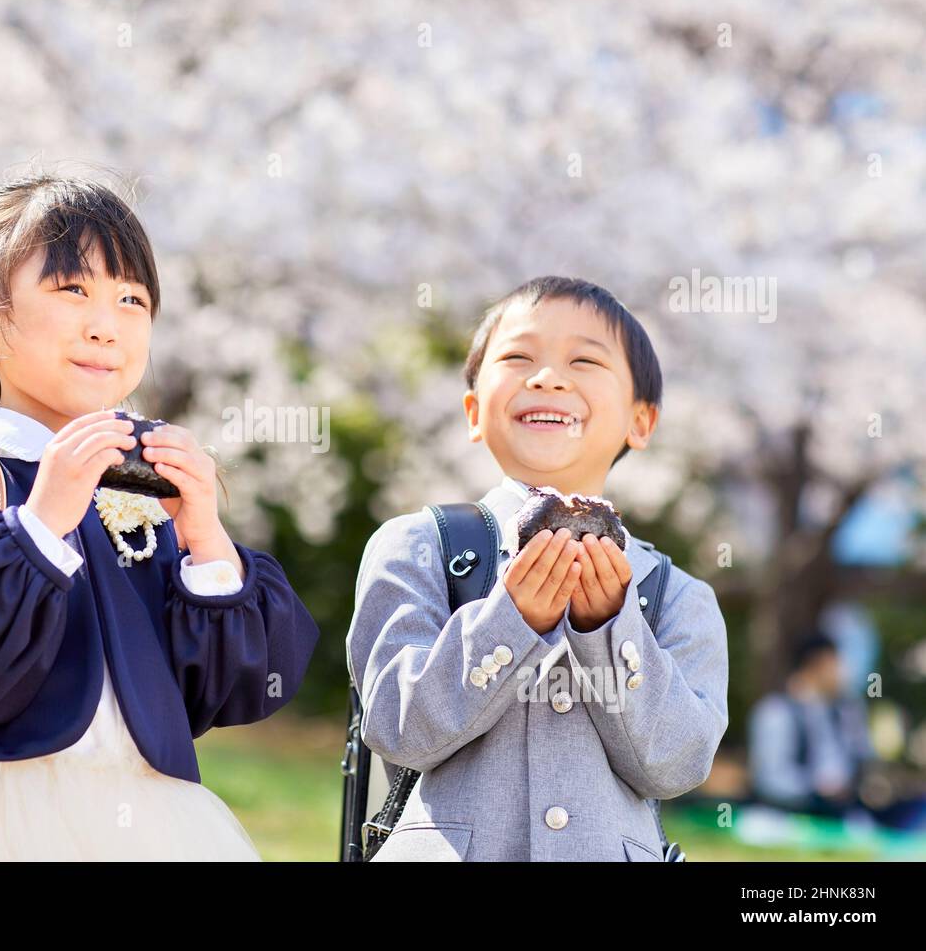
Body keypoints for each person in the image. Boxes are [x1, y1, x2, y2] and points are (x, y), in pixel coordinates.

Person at [0, 172, 321, 860]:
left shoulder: (154, 504)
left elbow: (235, 692)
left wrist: (207, 543)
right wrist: (38, 526)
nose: (106, 325)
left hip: (165, 833)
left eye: (132, 299)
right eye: (72, 290)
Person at [346, 276, 729, 860]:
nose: (548, 376)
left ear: (641, 421)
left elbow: (678, 763)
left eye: (584, 360)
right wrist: (509, 621)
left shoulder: (677, 595)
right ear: (474, 412)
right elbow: (397, 730)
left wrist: (610, 630)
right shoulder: (417, 546)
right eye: (518, 357)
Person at [749, 633, 926, 832]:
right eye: (837, 664)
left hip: (846, 814)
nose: (843, 673)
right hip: (790, 817)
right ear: (818, 665)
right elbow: (770, 780)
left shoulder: (845, 710)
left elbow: (865, 760)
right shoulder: (776, 712)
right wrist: (817, 790)